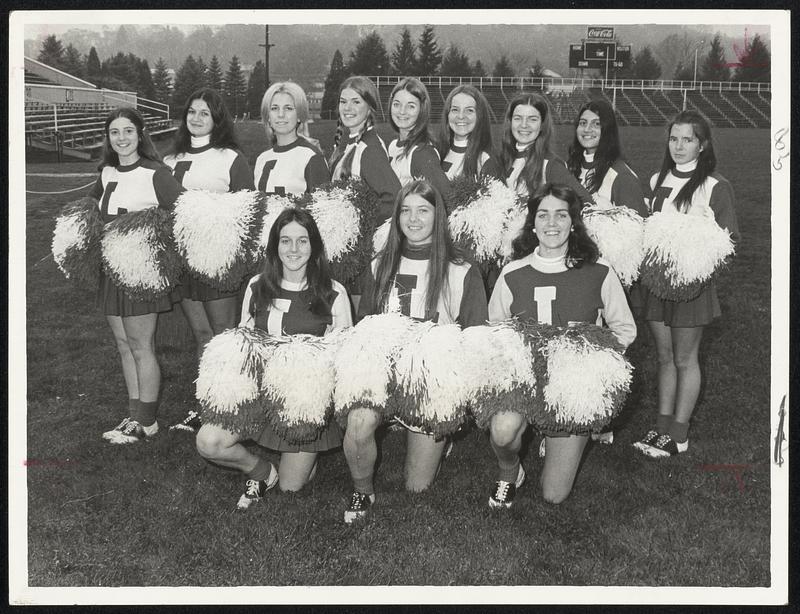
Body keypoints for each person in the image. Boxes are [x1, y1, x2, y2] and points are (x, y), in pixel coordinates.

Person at [342, 179, 488, 524]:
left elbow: (476, 335)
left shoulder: (461, 267)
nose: (414, 218)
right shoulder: (381, 265)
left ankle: (440, 432)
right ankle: (362, 490)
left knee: (417, 488)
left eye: (423, 210)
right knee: (359, 423)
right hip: (385, 369)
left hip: (431, 376)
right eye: (405, 210)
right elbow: (366, 324)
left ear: (439, 216)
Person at [487, 183, 636, 507]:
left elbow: (625, 329)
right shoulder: (512, 274)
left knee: (554, 494)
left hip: (571, 387)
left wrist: (592, 366)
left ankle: (550, 435)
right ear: (532, 222)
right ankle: (510, 470)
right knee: (502, 430)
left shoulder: (599, 271)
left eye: (560, 215)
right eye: (543, 215)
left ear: (573, 222)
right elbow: (495, 334)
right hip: (526, 383)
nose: (551, 224)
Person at [195, 208, 353, 509]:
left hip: (304, 403)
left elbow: (343, 357)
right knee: (208, 442)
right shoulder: (257, 285)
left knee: (292, 488)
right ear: (274, 246)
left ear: (314, 246)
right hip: (259, 392)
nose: (293, 250)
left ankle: (303, 456)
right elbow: (244, 343)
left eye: (302, 241)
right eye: (285, 241)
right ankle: (261, 471)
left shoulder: (334, 293)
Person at [633, 110, 739, 459]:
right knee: (664, 357)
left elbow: (729, 242)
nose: (679, 146)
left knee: (684, 358)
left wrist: (693, 260)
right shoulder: (656, 180)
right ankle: (662, 427)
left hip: (692, 286)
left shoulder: (715, 186)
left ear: (702, 144)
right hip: (658, 284)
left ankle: (679, 434)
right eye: (674, 138)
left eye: (688, 139)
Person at [163, 88, 256, 432]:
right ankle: (206, 403)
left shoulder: (230, 157)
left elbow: (248, 212)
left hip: (219, 260)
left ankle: (229, 405)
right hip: (185, 260)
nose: (197, 118)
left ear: (218, 119)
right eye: (192, 111)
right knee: (201, 335)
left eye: (205, 113)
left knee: (224, 336)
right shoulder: (170, 160)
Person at [90, 107, 185, 444]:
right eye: (115, 132)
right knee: (123, 345)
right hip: (112, 269)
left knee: (142, 345)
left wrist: (153, 245)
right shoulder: (106, 173)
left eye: (128, 131)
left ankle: (147, 421)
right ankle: (135, 415)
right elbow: (93, 212)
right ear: (108, 137)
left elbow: (183, 215)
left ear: (140, 134)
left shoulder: (156, 173)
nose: (122, 138)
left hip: (141, 271)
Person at [329, 76, 401, 224]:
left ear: (370, 107)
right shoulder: (353, 142)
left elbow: (393, 198)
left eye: (356, 102)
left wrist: (360, 226)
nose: (347, 108)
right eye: (343, 102)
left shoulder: (370, 148)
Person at [498, 92, 593, 204]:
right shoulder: (502, 160)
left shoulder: (551, 165)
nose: (524, 125)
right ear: (510, 122)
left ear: (542, 125)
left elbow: (587, 203)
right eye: (518, 118)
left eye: (532, 119)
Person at [566, 99, 648, 216]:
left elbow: (637, 228)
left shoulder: (622, 176)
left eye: (597, 124)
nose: (587, 129)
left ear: (608, 129)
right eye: (583, 123)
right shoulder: (570, 168)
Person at [253, 81, 330, 195]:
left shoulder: (311, 157)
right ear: (267, 116)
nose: (281, 114)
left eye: (288, 108)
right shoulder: (262, 159)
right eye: (274, 108)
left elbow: (323, 208)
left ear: (299, 115)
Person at [386, 77, 451, 199]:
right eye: (396, 104)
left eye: (411, 106)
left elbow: (447, 197)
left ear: (422, 109)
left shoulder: (422, 152)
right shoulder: (393, 145)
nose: (402, 111)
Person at [436, 84, 503, 181]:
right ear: (447, 114)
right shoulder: (436, 153)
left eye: (469, 110)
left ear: (480, 116)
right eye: (455, 109)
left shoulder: (486, 159)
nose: (461, 116)